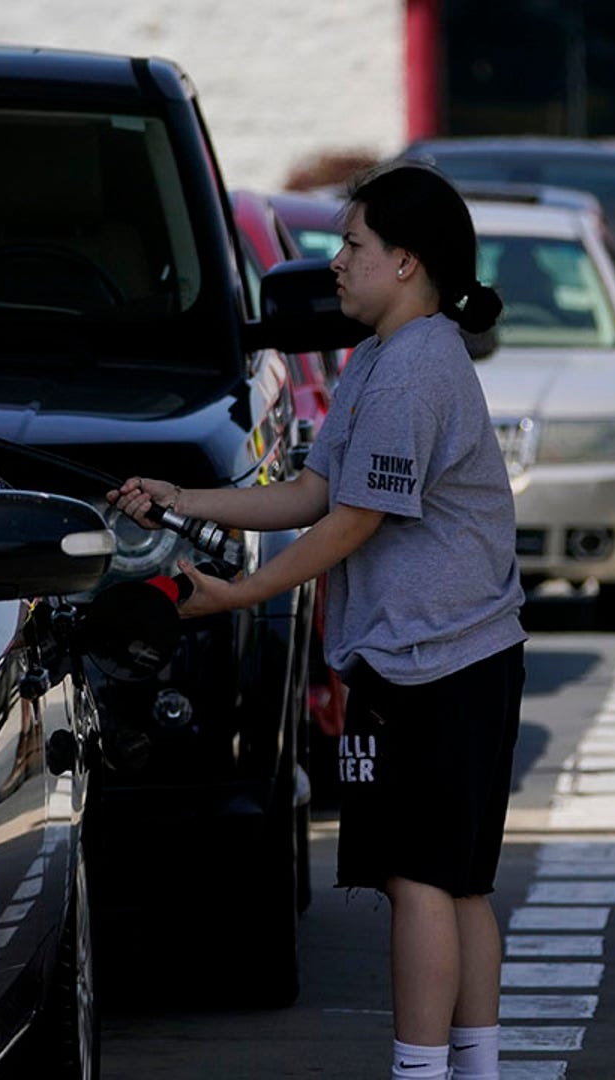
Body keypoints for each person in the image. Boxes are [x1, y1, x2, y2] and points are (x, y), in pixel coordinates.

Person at [108, 163, 525, 1080]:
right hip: (455, 654)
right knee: (454, 881)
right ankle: (475, 1069)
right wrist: (185, 497)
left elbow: (351, 521)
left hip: (435, 664)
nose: (335, 262)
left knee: (421, 879)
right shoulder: (389, 353)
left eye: (353, 245)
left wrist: (237, 595)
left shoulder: (413, 368)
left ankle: (422, 1072)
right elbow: (309, 491)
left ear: (406, 262)